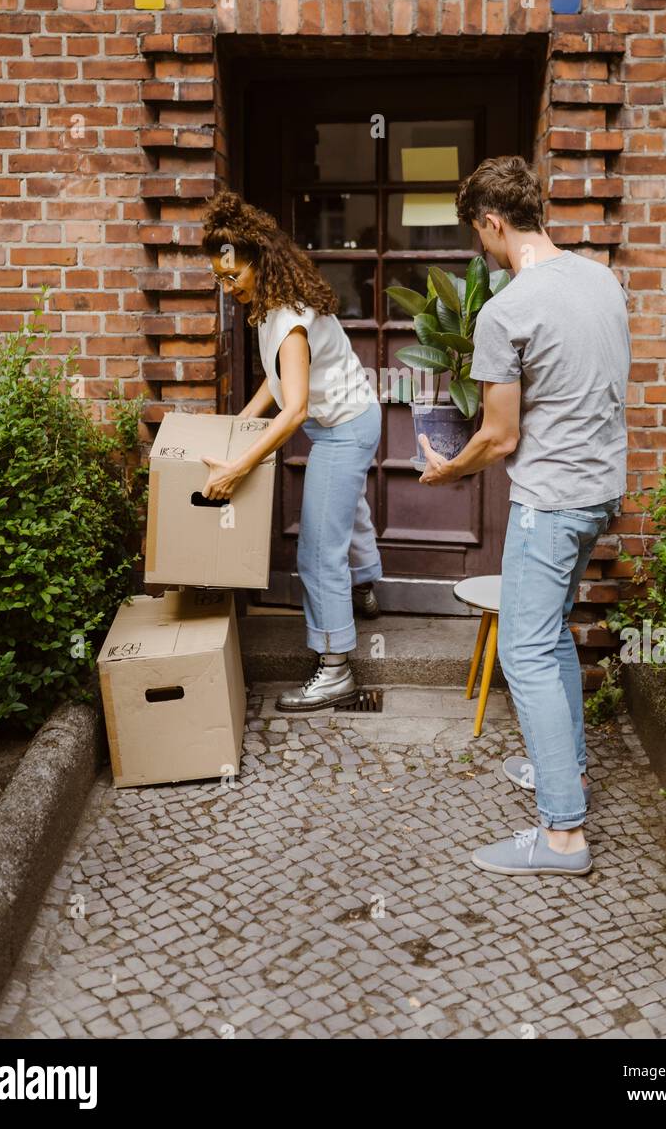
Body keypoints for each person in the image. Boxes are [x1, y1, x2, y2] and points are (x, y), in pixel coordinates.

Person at [418, 156, 631, 877]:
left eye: (480, 237)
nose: (483, 252)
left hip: (550, 502)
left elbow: (501, 436)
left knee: (525, 651)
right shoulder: (601, 281)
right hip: (600, 492)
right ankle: (560, 768)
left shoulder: (506, 310)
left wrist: (449, 469)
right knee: (554, 638)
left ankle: (563, 834)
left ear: (492, 223)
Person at [199, 191, 383, 712]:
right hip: (351, 417)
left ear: (259, 262)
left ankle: (335, 669)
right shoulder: (269, 305)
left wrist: (238, 465)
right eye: (220, 278)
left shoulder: (288, 321)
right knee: (350, 513)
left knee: (318, 548)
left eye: (233, 276)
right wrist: (238, 425)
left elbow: (295, 409)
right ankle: (366, 586)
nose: (227, 286)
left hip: (342, 426)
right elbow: (275, 383)